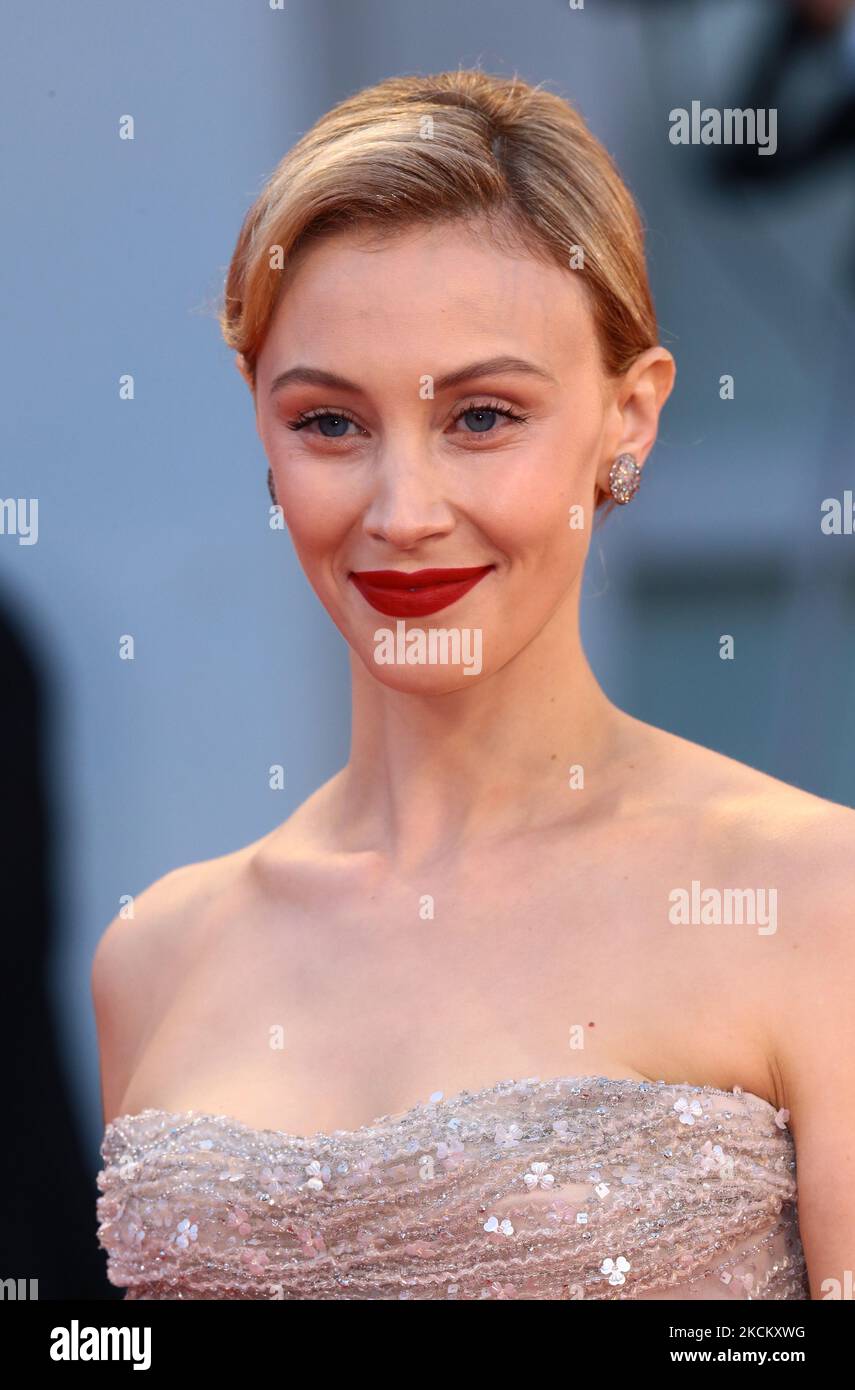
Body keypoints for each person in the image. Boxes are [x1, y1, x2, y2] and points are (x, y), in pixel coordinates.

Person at [93, 69, 853, 1300]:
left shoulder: (818, 902)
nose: (403, 513)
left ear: (632, 418)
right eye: (330, 424)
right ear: (261, 427)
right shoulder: (159, 954)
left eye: (484, 417)